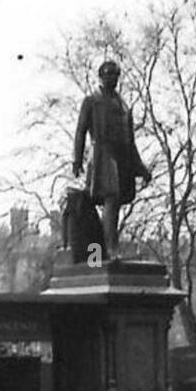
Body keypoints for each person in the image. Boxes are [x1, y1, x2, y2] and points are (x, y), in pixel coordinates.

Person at [72, 59, 152, 259]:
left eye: (115, 74)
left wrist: (141, 168)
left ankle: (102, 251)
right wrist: (77, 159)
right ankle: (109, 249)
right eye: (108, 73)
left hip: (121, 157)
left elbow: (130, 140)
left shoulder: (124, 106)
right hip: (101, 155)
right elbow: (81, 132)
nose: (112, 78)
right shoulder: (91, 101)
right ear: (100, 76)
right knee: (111, 196)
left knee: (114, 202)